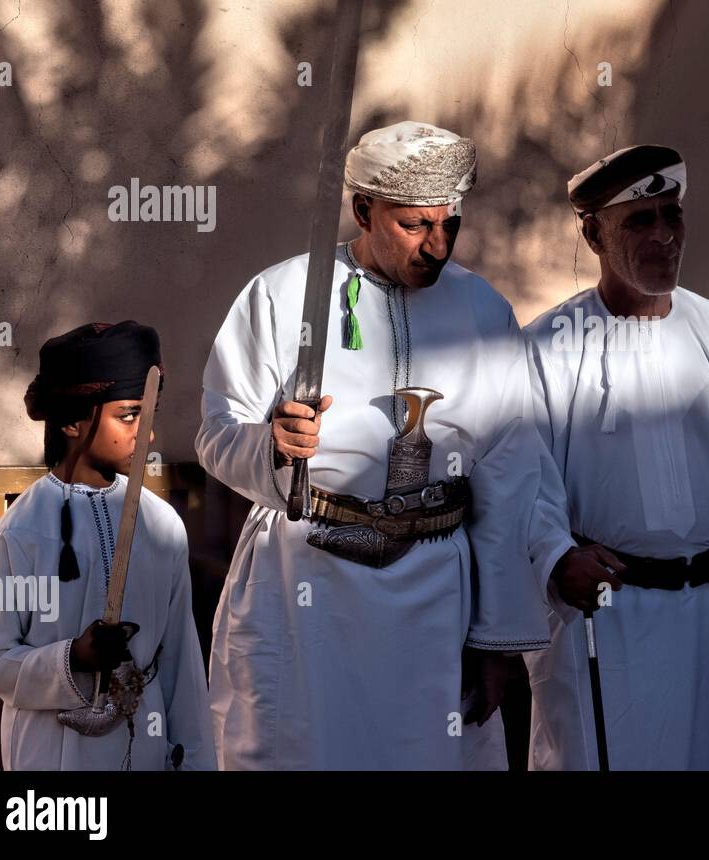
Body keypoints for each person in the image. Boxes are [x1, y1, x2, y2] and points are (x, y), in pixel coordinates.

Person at [198, 121, 550, 769]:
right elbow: (218, 436)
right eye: (415, 225)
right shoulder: (281, 298)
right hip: (306, 584)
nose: (437, 246)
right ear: (363, 209)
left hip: (438, 593)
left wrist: (497, 635)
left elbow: (510, 479)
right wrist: (273, 447)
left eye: (451, 225)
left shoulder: (483, 311)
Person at [524, 144, 709, 770]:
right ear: (594, 234)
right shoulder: (547, 347)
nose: (663, 237)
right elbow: (524, 485)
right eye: (639, 221)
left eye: (671, 216)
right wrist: (557, 557)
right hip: (604, 620)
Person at [0, 321, 214, 770]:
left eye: (150, 413)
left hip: (145, 744)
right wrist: (71, 658)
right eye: (128, 416)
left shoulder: (162, 525)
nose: (148, 434)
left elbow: (181, 662)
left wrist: (195, 761)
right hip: (52, 752)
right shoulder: (21, 531)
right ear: (70, 420)